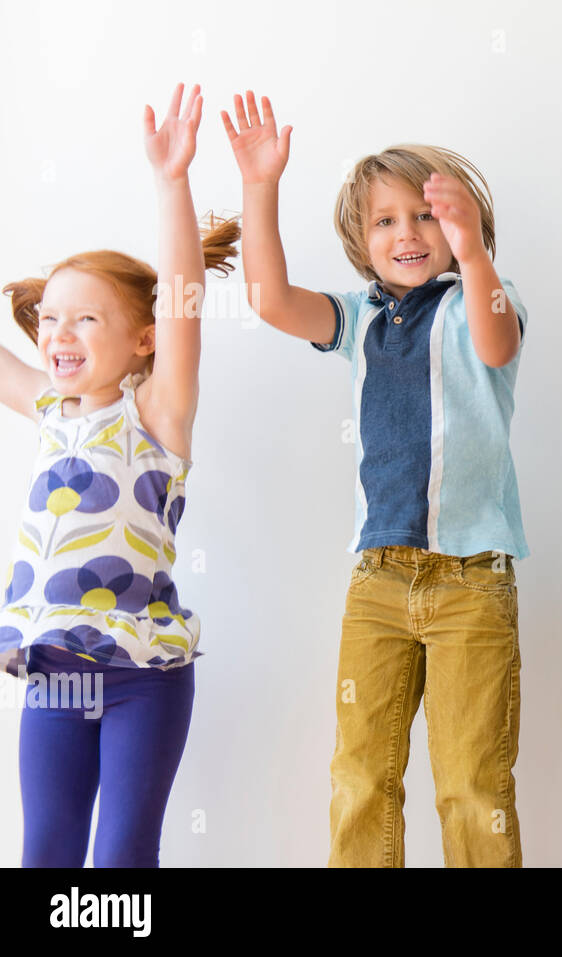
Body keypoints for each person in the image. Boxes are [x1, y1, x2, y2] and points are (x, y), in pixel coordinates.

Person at [223, 91, 528, 867]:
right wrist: (261, 186)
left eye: (426, 216)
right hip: (378, 580)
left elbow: (496, 347)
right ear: (363, 240)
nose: (408, 233)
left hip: (471, 580)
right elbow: (269, 299)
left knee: (472, 785)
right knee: (360, 775)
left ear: (461, 227)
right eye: (386, 220)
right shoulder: (359, 318)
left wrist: (474, 249)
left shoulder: (478, 302)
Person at [0, 83, 239, 866]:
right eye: (49, 318)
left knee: (123, 856)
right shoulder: (49, 407)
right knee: (47, 851)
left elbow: (181, 297)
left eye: (86, 317)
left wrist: (172, 182)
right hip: (55, 678)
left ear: (142, 342)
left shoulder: (156, 416)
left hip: (144, 677)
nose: (57, 333)